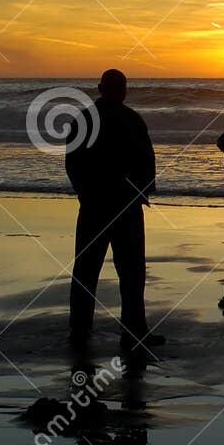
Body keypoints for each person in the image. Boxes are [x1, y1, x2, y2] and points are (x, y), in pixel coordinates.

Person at [66, 68, 163, 351]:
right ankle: (134, 330)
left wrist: (85, 193)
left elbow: (73, 163)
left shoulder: (84, 119)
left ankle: (80, 329)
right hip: (124, 206)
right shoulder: (131, 119)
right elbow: (147, 162)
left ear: (100, 88)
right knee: (131, 272)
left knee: (86, 270)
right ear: (123, 90)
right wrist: (142, 193)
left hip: (96, 206)